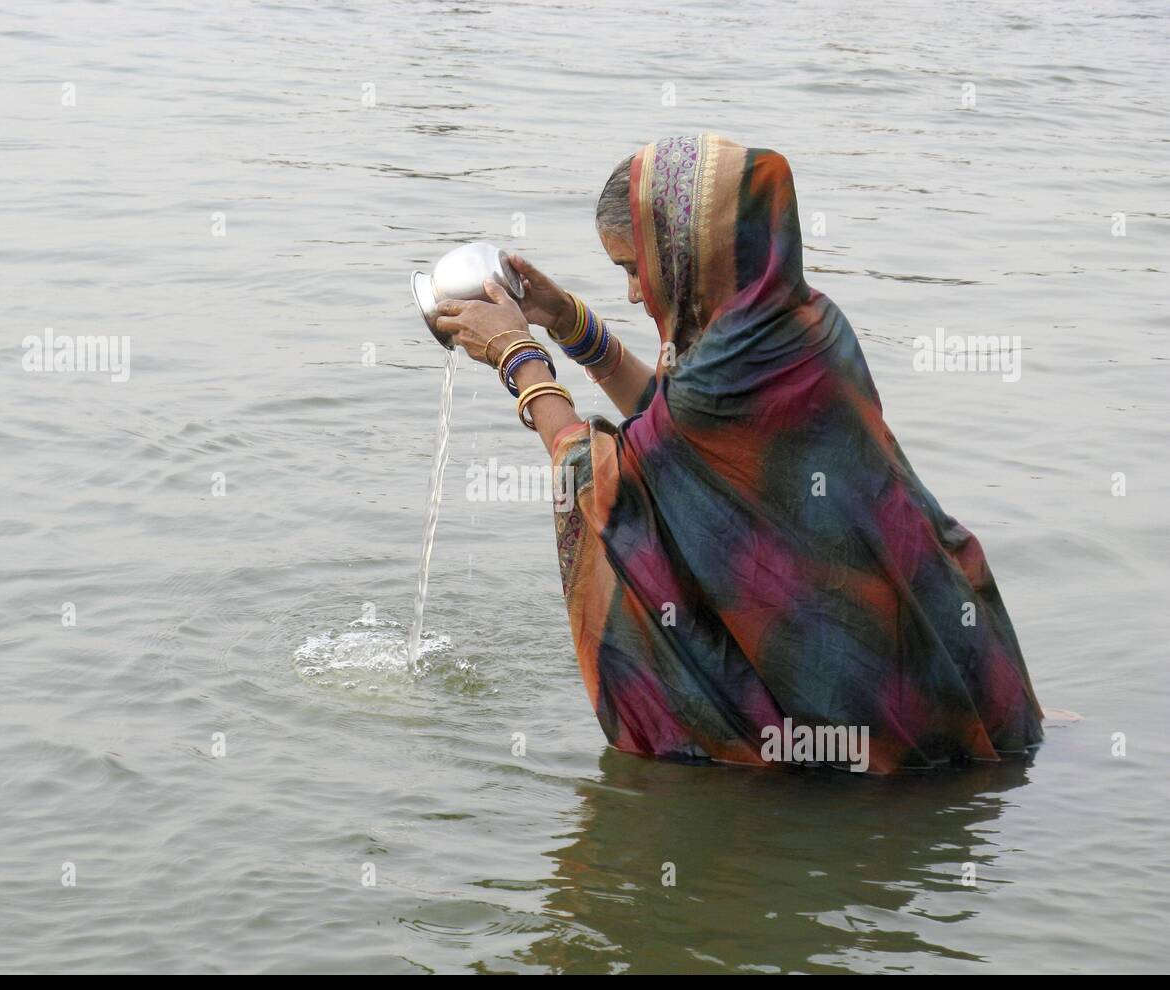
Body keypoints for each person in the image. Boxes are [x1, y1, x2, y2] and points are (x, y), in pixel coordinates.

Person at [433, 133, 1044, 773]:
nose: (638, 294)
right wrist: (566, 322)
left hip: (855, 696)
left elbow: (603, 481)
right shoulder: (801, 324)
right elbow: (679, 435)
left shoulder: (732, 364)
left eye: (632, 268)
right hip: (940, 661)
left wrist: (517, 357)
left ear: (685, 253)